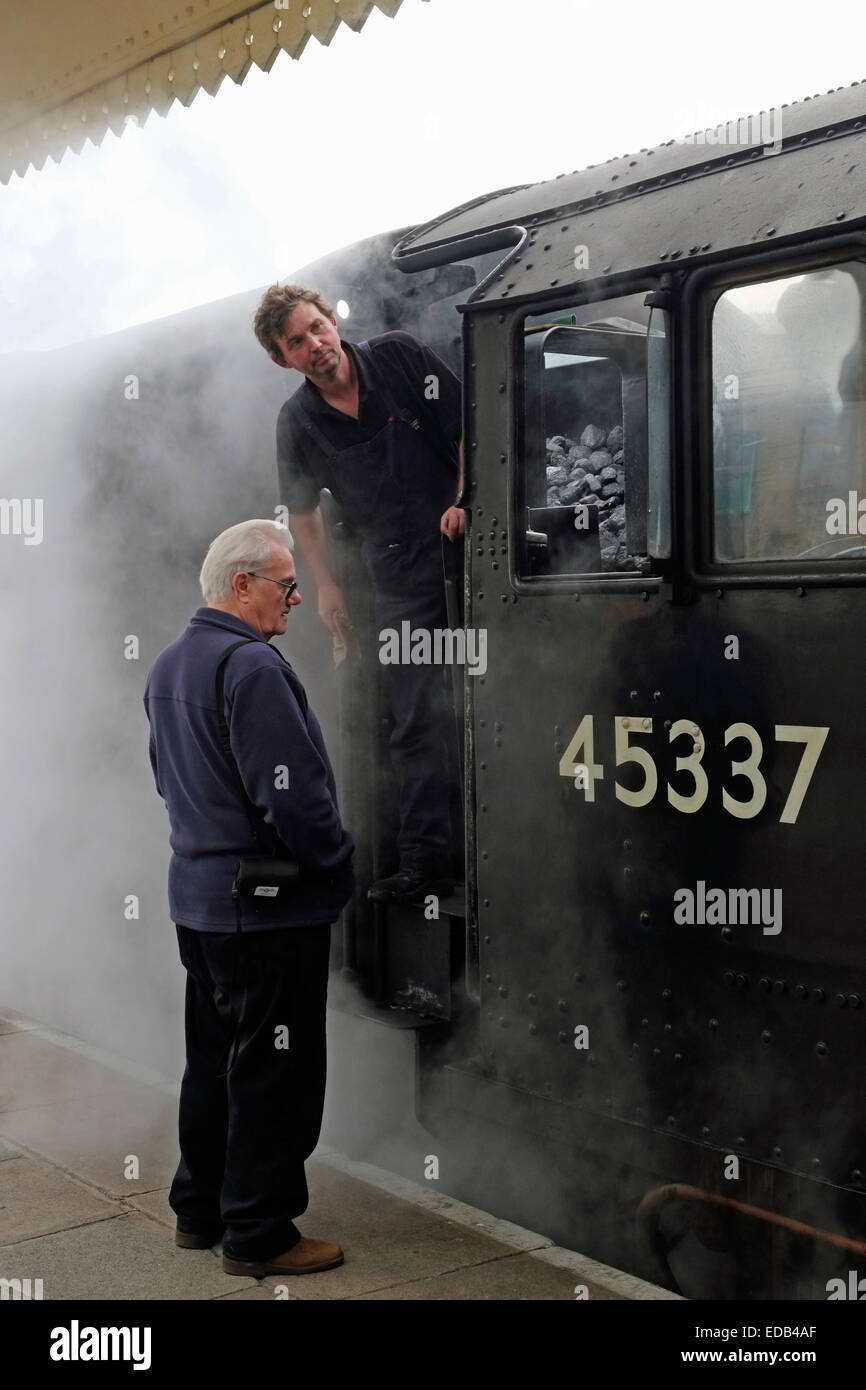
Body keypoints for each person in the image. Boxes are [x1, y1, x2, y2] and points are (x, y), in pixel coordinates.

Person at [143, 519, 354, 1278]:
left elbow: (167, 782)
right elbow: (290, 800)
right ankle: (260, 1231)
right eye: (284, 586)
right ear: (241, 585)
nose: (294, 600)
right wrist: (337, 864)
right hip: (266, 912)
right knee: (274, 1074)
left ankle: (198, 1212)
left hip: (198, 907)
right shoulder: (253, 667)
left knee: (213, 1063)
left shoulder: (169, 664)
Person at [253, 283, 465, 903]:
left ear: (330, 321)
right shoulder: (296, 422)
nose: (315, 343)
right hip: (395, 574)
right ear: (281, 358)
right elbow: (304, 514)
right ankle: (429, 865)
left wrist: (463, 499)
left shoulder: (399, 358)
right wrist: (326, 587)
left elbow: (466, 428)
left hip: (464, 543)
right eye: (297, 341)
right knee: (414, 715)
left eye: (318, 327)